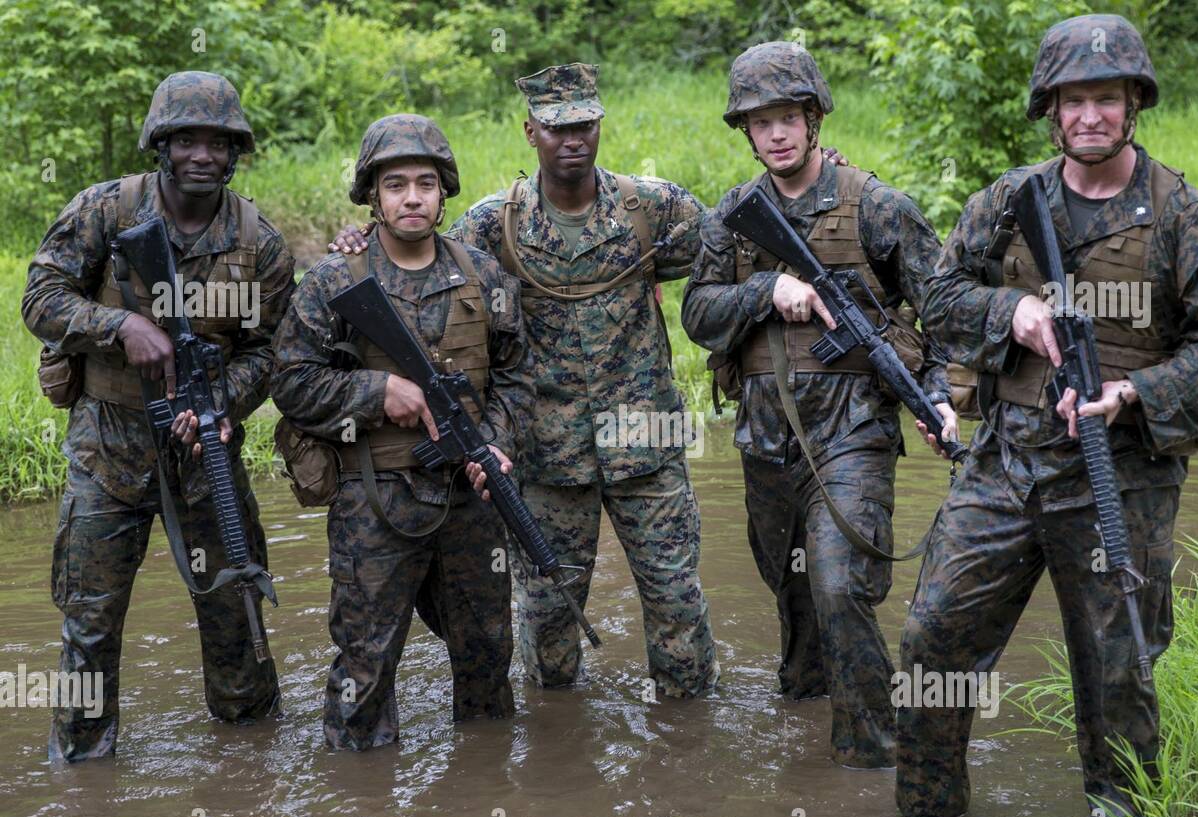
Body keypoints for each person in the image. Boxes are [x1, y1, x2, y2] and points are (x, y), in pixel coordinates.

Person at [898, 14, 1198, 817]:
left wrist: (1135, 394)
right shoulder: (1010, 201)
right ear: (1051, 110)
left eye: (1107, 99)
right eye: (1074, 101)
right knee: (932, 639)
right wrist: (1013, 312)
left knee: (1116, 672)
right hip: (1004, 464)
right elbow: (939, 295)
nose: (1090, 116)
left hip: (1119, 475)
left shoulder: (1185, 217)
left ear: (1133, 105)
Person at [333, 65, 722, 699]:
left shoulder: (654, 207)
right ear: (530, 132)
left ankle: (689, 732)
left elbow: (735, 244)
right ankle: (553, 740)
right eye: (556, 127)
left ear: (599, 127)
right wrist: (357, 241)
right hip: (546, 455)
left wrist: (819, 169)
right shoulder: (494, 225)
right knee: (548, 623)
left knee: (677, 604)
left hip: (647, 443)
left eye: (585, 125)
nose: (573, 139)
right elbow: (418, 265)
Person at [681, 42, 957, 768]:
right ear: (746, 131)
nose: (775, 134)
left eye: (787, 118)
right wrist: (765, 291)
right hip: (766, 441)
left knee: (839, 588)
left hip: (854, 435)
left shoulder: (879, 208)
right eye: (759, 121)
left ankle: (871, 760)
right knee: (797, 596)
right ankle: (804, 736)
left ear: (813, 118)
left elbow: (947, 313)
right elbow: (698, 316)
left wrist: (939, 396)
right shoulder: (733, 217)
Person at [23, 71, 294, 762]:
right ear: (161, 145)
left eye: (217, 143)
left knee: (236, 615)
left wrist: (221, 405)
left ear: (235, 152)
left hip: (204, 454)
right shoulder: (107, 211)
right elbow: (41, 298)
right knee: (89, 623)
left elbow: (271, 352)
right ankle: (81, 772)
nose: (202, 155)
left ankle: (247, 775)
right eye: (186, 141)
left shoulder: (259, 242)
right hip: (107, 450)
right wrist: (121, 326)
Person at [272, 114, 533, 749]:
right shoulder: (336, 280)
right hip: (373, 500)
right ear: (373, 196)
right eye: (395, 185)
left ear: (444, 193)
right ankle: (359, 791)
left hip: (471, 498)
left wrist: (496, 444)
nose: (411, 198)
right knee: (364, 664)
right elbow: (291, 382)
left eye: (425, 184)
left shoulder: (484, 276)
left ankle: (489, 785)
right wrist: (376, 392)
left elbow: (518, 375)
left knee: (487, 654)